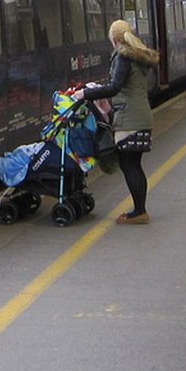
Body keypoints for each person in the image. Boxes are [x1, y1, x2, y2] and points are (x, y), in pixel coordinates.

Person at [73, 20, 159, 225]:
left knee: (129, 166)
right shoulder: (137, 56)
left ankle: (139, 212)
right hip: (141, 115)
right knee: (134, 165)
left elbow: (114, 87)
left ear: (114, 39)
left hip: (129, 118)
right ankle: (140, 210)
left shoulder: (123, 56)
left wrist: (85, 93)